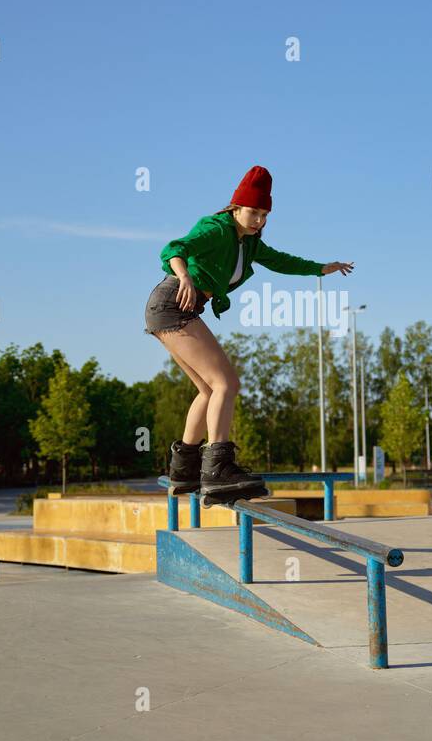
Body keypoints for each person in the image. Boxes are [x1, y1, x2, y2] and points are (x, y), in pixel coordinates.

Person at [144, 165, 354, 500]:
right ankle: (217, 469)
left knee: (208, 390)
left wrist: (320, 269)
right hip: (173, 303)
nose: (259, 221)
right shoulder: (216, 227)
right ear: (235, 208)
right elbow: (173, 249)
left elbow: (282, 261)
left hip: (174, 310)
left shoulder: (251, 244)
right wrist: (184, 276)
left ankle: (183, 470)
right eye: (253, 213)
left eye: (265, 215)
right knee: (227, 383)